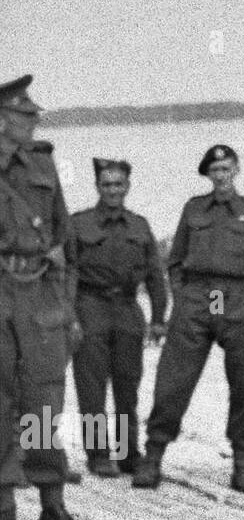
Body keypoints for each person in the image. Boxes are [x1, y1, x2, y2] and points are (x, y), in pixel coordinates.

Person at [133, 144, 244, 494]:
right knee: (173, 381)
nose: (221, 177)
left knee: (243, 385)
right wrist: (183, 296)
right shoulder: (194, 209)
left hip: (236, 304)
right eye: (215, 171)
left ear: (237, 170)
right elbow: (174, 260)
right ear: (208, 175)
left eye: (227, 169)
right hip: (197, 303)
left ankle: (242, 463)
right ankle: (153, 455)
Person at [0, 74, 89, 520]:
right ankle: (3, 507)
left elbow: (64, 242)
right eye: (23, 112)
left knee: (44, 403)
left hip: (40, 298)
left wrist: (66, 307)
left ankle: (52, 506)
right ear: (1, 120)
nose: (34, 118)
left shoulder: (43, 165)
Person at [67, 158, 167, 477]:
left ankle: (126, 452)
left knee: (128, 387)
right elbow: (66, 273)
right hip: (89, 307)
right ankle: (98, 455)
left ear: (127, 187)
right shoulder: (78, 224)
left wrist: (157, 317)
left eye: (118, 184)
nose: (113, 190)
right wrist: (70, 318)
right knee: (92, 388)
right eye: (107, 184)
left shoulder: (139, 225)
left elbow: (154, 275)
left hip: (127, 311)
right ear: (97, 187)